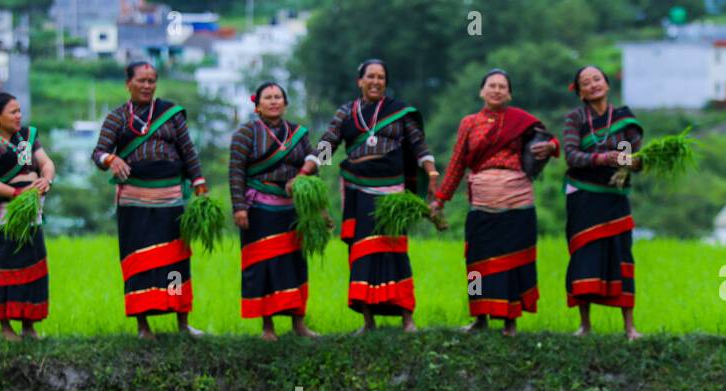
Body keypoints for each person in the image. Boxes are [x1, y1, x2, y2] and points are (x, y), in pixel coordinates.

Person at [300, 59, 438, 333]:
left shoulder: (399, 112)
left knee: (394, 251)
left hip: (393, 192)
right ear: (359, 81)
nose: (376, 81)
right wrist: (307, 169)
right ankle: (368, 320)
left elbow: (418, 145)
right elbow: (328, 144)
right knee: (362, 252)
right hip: (358, 190)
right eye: (371, 77)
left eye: (381, 77)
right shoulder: (346, 113)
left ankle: (407, 318)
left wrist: (431, 173)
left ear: (386, 82)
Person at [431, 69, 558, 336]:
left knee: (512, 262)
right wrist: (441, 199)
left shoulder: (521, 121)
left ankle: (510, 322)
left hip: (517, 202)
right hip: (482, 203)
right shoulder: (469, 123)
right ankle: (479, 317)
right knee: (476, 263)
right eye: (492, 85)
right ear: (482, 91)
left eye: (503, 86)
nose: (497, 90)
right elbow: (457, 163)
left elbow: (550, 141)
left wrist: (551, 148)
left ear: (509, 93)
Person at [92, 61, 208, 338]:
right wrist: (111, 158)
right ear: (128, 84)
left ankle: (182, 322)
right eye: (141, 80)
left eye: (152, 81)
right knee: (139, 261)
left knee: (175, 260)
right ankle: (143, 325)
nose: (147, 86)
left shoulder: (171, 115)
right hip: (134, 201)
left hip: (170, 199)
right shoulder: (117, 117)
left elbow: (188, 151)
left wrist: (199, 182)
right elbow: (97, 153)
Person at [229, 82, 318, 339]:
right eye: (267, 98)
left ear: (286, 103)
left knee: (294, 265)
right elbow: (235, 172)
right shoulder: (245, 134)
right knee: (264, 265)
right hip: (258, 210)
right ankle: (267, 327)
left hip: (292, 210)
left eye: (278, 97)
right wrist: (239, 208)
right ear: (257, 105)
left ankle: (298, 324)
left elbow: (318, 160)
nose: (273, 101)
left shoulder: (299, 134)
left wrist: (301, 177)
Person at [561, 65, 643, 339]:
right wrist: (602, 158)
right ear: (580, 92)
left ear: (607, 85)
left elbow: (633, 157)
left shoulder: (622, 119)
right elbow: (572, 156)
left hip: (614, 198)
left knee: (621, 255)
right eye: (586, 82)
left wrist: (630, 162)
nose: (593, 84)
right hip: (583, 196)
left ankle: (629, 327)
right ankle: (585, 325)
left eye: (597, 79)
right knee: (584, 255)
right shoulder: (575, 119)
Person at [0, 92, 54, 340]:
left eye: (20, 111)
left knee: (33, 264)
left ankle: (29, 325)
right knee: (4, 266)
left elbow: (46, 163)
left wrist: (46, 180)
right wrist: (17, 192)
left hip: (30, 215)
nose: (19, 116)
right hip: (2, 218)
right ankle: (6, 326)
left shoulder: (27, 138)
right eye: (13, 112)